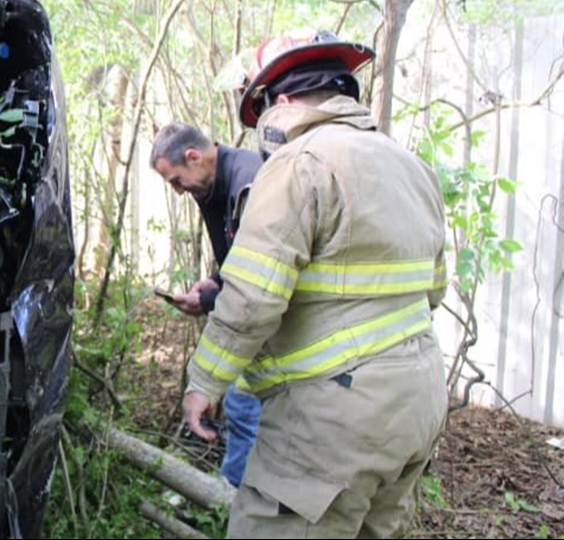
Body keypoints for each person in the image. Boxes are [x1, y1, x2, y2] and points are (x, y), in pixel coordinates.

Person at [182, 29, 448, 538]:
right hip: (419, 402)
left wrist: (205, 383)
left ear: (280, 104)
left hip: (333, 423)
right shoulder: (413, 168)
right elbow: (433, 291)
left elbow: (250, 298)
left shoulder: (298, 164)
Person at [149, 122, 262, 487]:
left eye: (176, 180)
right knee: (243, 410)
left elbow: (260, 277)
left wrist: (210, 300)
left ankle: (230, 501)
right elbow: (238, 256)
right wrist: (215, 281)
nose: (178, 190)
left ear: (193, 156)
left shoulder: (249, 182)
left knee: (245, 410)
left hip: (268, 324)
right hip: (254, 321)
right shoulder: (209, 185)